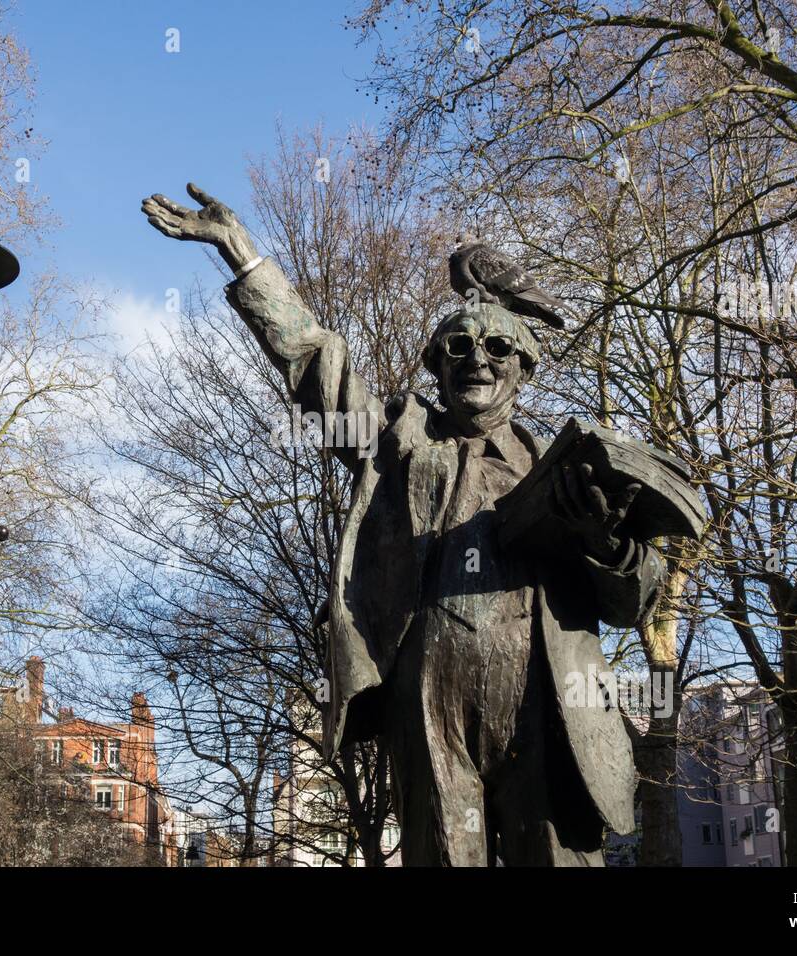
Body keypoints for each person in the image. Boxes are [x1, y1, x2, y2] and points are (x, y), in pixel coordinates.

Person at [142, 185, 665, 865]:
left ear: (525, 366)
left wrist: (607, 543)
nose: (478, 359)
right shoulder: (398, 443)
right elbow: (314, 363)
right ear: (434, 367)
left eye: (499, 348)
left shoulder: (563, 469)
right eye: (457, 347)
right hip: (429, 706)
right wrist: (242, 255)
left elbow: (636, 600)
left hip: (550, 708)